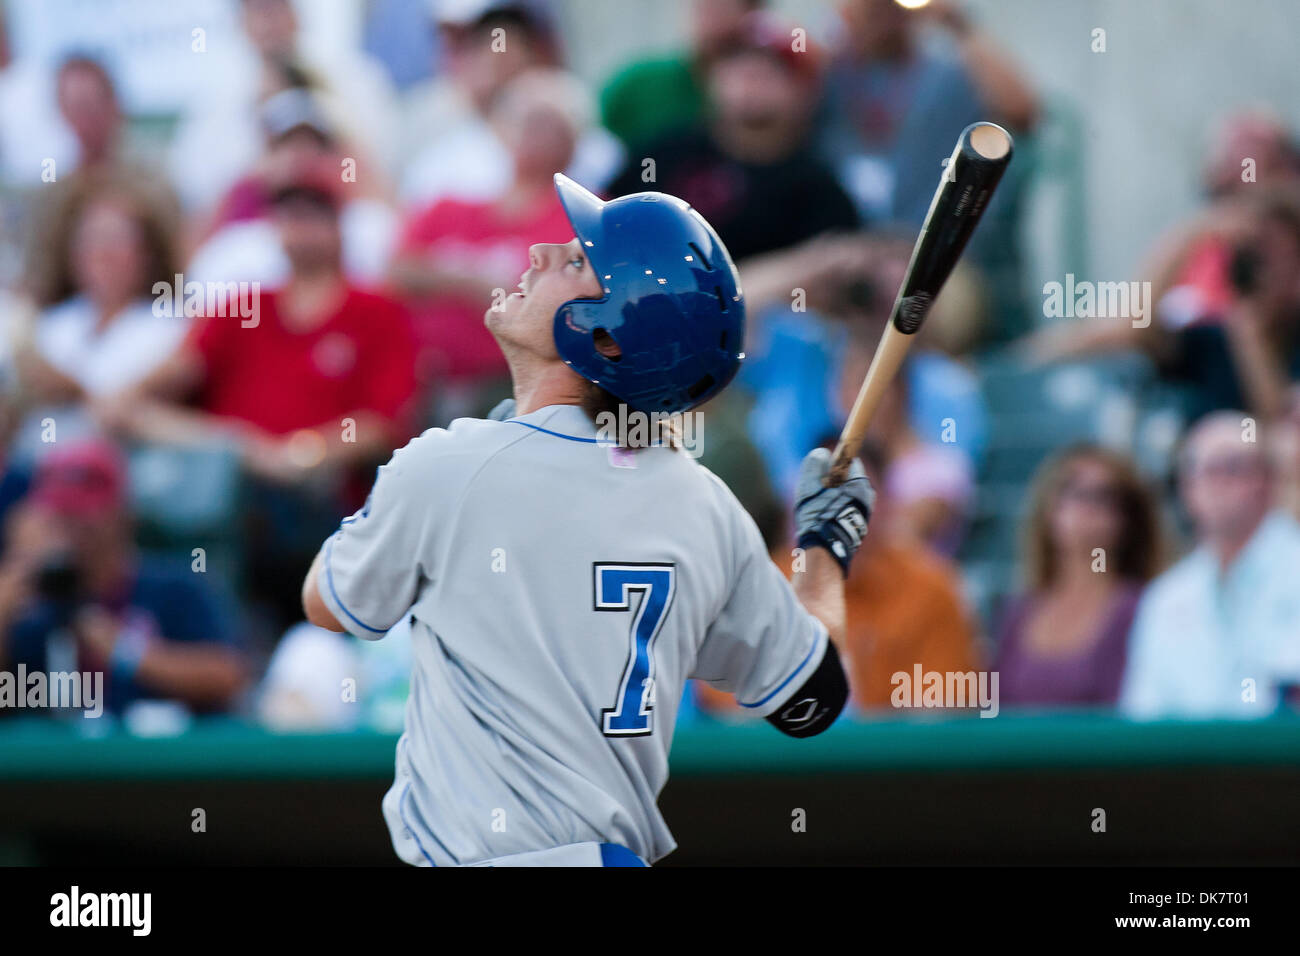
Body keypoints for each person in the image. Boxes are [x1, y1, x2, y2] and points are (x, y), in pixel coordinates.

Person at [300, 174, 873, 866]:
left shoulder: (451, 464)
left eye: (576, 262)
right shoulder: (704, 504)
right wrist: (824, 546)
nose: (540, 250)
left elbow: (330, 606)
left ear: (606, 341)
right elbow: (810, 700)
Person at [386, 69, 584, 421]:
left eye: (550, 124)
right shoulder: (448, 207)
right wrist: (469, 280)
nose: (537, 136)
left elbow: (570, 299)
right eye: (529, 122)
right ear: (502, 130)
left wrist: (446, 272)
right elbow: (396, 272)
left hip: (520, 386)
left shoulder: (583, 215)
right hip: (430, 380)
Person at [0, 441, 248, 717]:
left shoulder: (175, 587)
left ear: (122, 516)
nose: (72, 527)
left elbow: (229, 676)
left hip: (156, 755)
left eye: (84, 513)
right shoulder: (30, 597)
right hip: (51, 758)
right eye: (60, 513)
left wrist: (124, 652)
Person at [606, 15, 860, 263]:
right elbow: (602, 220)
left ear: (805, 92)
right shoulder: (662, 154)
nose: (748, 79)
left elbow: (832, 274)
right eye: (734, 64)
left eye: (771, 69)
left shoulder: (818, 190)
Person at [1120, 412, 1300, 719]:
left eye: (1233, 468)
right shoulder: (1165, 598)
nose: (1217, 483)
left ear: (1268, 481)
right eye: (1203, 470)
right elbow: (1143, 721)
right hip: (1187, 765)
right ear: (1186, 488)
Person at [994, 445, 1162, 708]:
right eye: (1073, 492)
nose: (1087, 508)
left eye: (1103, 496)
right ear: (1048, 507)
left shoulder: (1143, 609)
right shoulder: (1018, 613)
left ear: (1127, 518)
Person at [599, 0, 762, 153]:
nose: (712, 17)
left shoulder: (774, 90)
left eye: (724, 7)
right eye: (705, 6)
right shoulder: (638, 83)